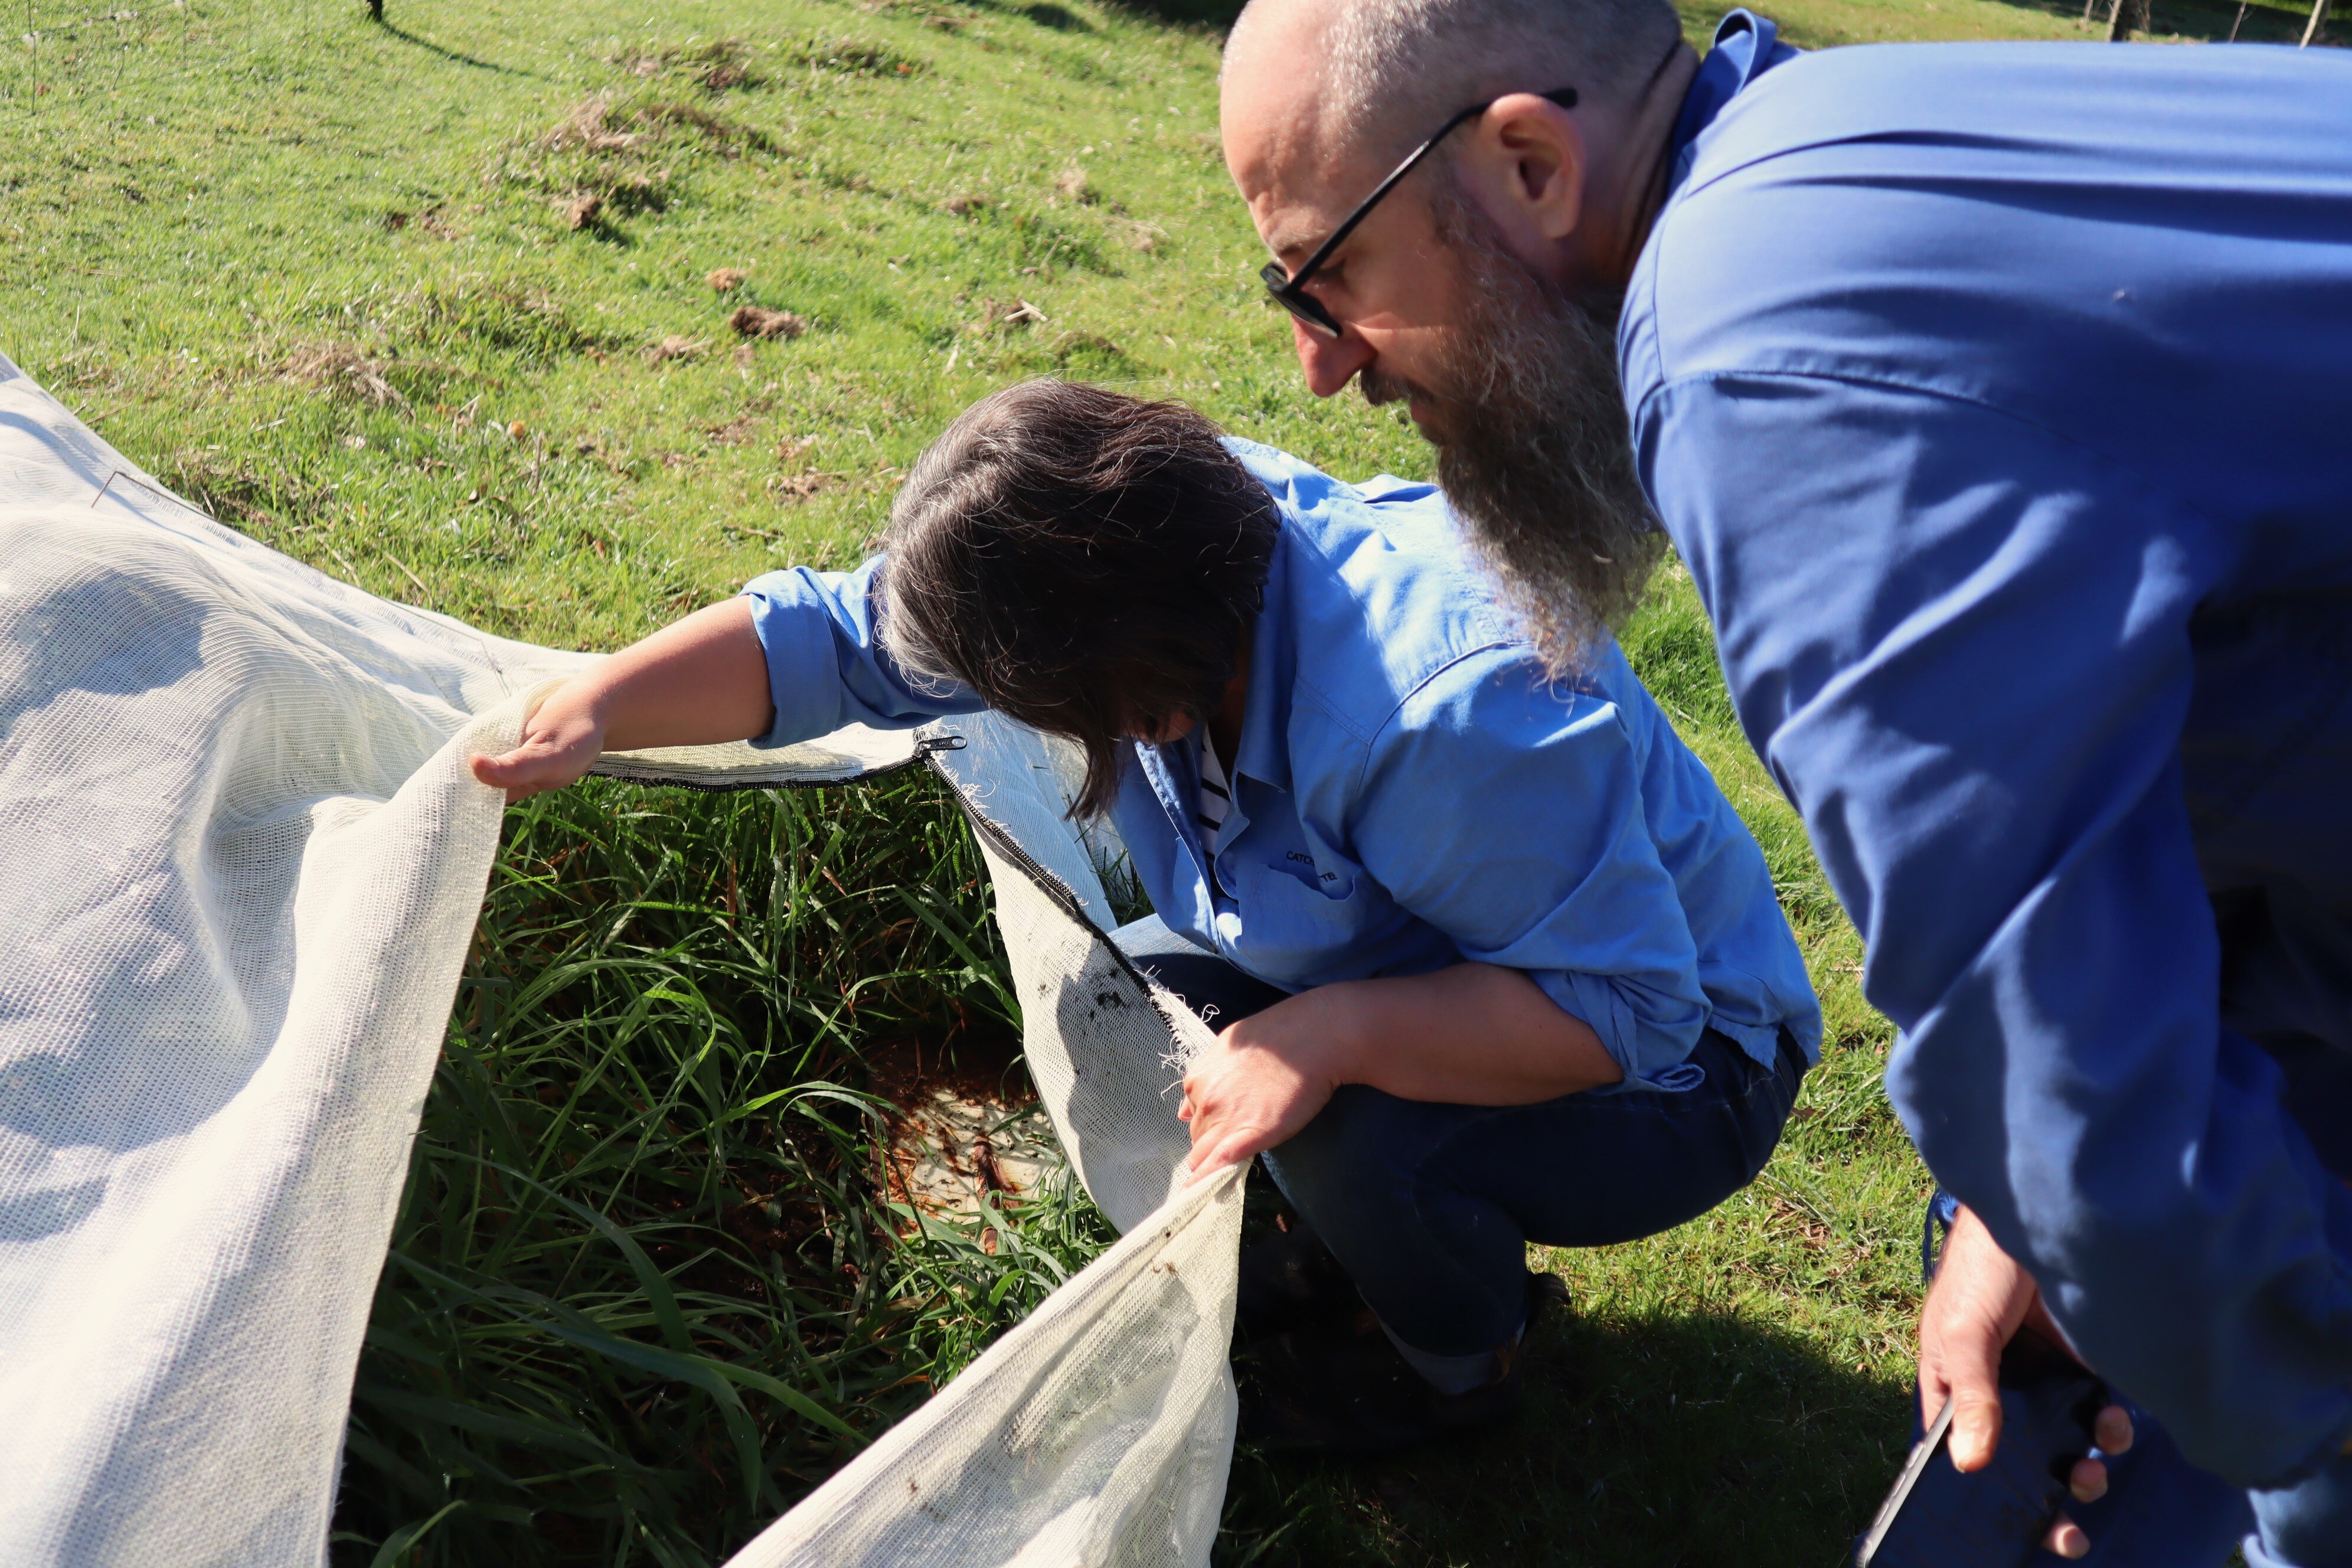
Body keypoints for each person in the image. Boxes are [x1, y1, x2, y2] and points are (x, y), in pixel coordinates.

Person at [1217, 0, 2352, 1557]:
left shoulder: (1756, 350)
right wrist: (2028, 1208)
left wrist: (2279, 1400)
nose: (1319, 366)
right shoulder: (1845, 138)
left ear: (1531, 165)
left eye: (1327, 272)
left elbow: (2048, 1035)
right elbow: (2183, 746)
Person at [472, 378, 1821, 1451]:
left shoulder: (1445, 713)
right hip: (1452, 952)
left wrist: (1327, 1038)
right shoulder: (1128, 557)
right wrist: (609, 701)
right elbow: (847, 638)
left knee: (1355, 1130)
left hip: (1684, 1064)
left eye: (1057, 710)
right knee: (1229, 1007)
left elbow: (1621, 1013)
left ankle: (1457, 1365)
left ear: (1147, 695)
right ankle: (1352, 1231)